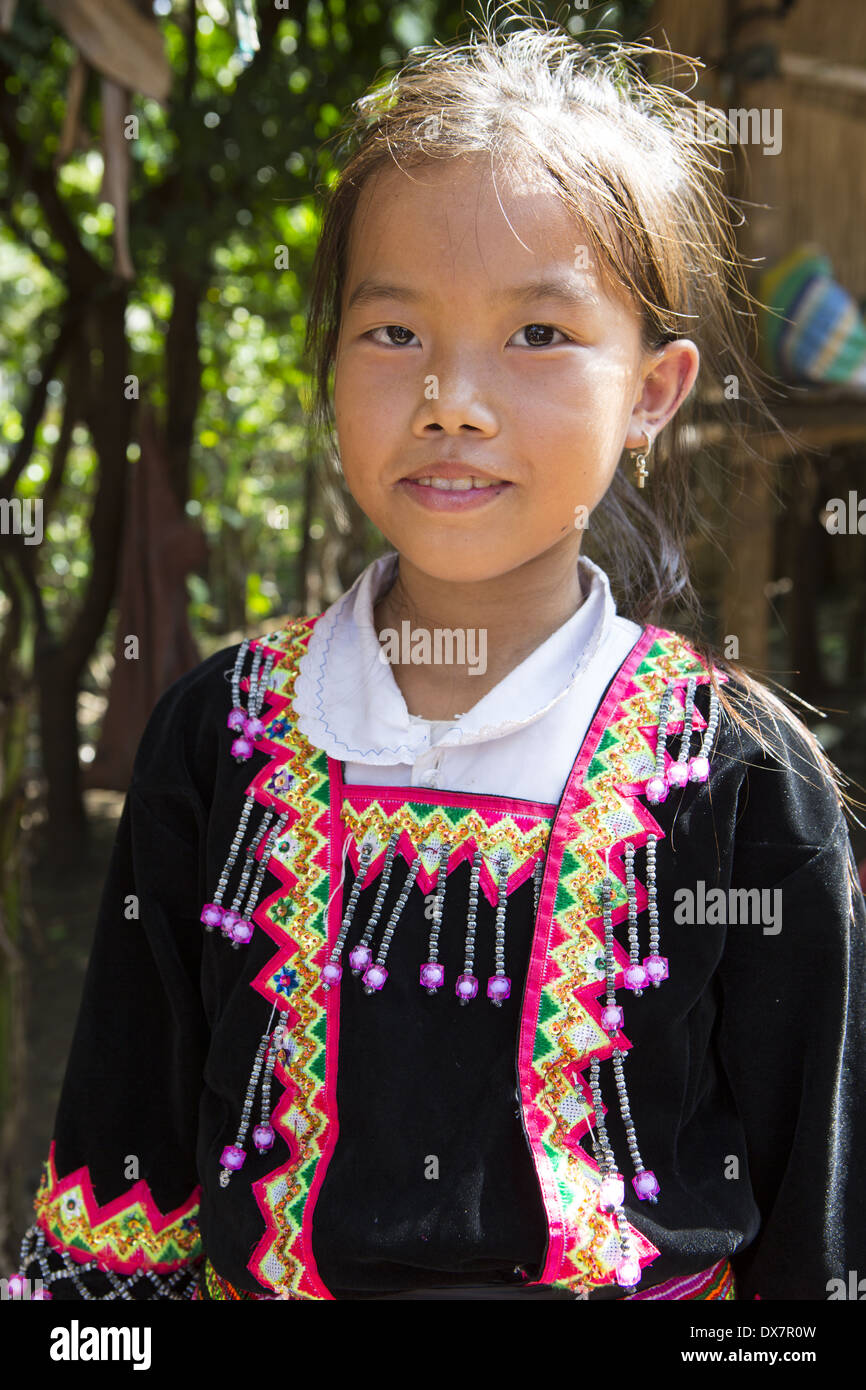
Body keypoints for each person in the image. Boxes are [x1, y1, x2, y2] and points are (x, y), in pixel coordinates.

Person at [13, 16, 866, 1302]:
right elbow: (117, 1213)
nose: (449, 399)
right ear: (331, 368)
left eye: (537, 336)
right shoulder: (219, 742)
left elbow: (814, 1243)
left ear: (652, 392)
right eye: (393, 332)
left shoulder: (741, 786)